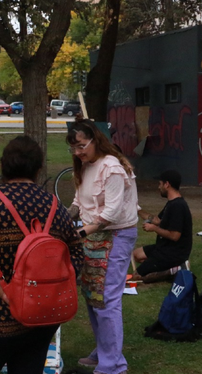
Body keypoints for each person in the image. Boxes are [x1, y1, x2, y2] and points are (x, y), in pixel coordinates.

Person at [0, 136, 83, 374]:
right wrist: (53, 288)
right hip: (41, 317)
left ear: (2, 165)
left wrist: (4, 293)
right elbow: (76, 252)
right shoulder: (53, 205)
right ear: (38, 169)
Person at [66, 120, 138, 374]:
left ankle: (113, 365)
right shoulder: (86, 167)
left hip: (115, 235)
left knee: (107, 299)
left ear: (96, 140)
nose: (78, 152)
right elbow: (78, 202)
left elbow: (112, 212)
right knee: (93, 297)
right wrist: (61, 219)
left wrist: (81, 232)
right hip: (92, 237)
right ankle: (104, 351)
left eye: (81, 146)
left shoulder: (112, 168)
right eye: (73, 148)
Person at [133, 169, 193, 283]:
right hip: (164, 247)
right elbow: (157, 220)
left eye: (160, 184)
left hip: (173, 253)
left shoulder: (178, 206)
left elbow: (175, 236)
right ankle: (166, 268)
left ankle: (173, 271)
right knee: (136, 255)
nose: (158, 187)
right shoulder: (171, 203)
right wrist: (136, 208)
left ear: (167, 184)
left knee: (137, 276)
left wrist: (154, 229)